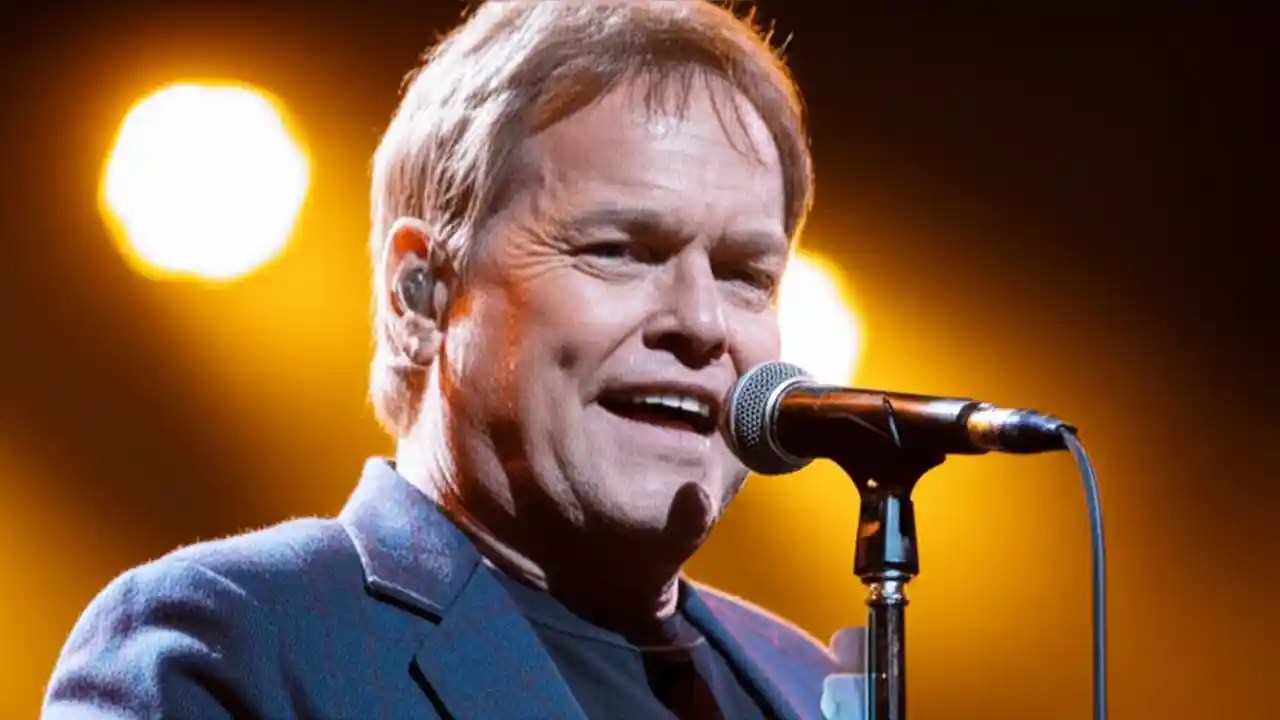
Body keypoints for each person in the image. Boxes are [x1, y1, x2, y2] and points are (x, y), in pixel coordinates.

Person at [43, 1, 863, 718]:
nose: (700, 321)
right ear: (421, 296)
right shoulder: (232, 641)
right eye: (621, 250)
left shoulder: (799, 682)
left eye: (744, 274)